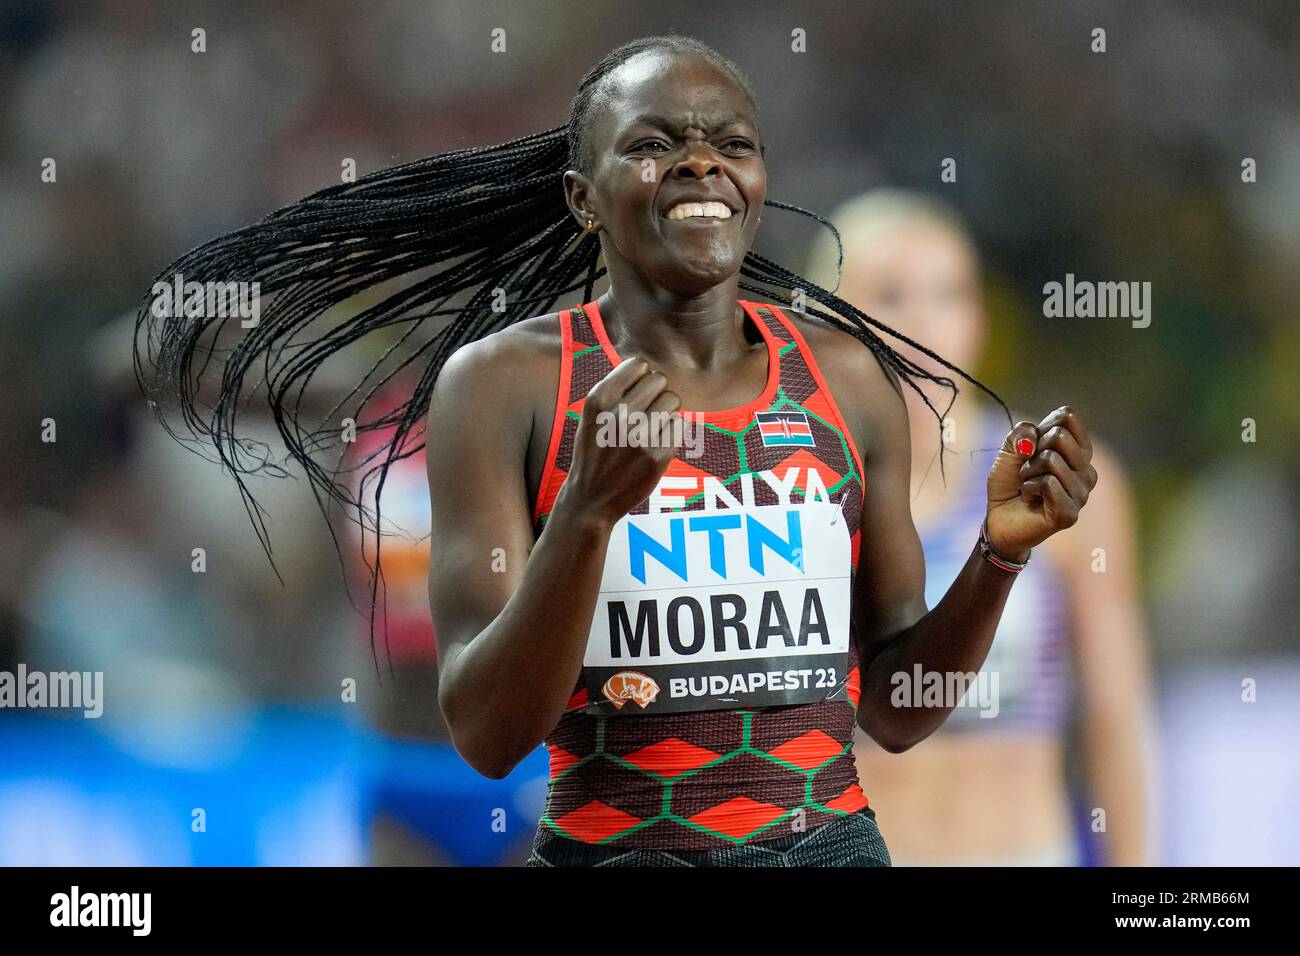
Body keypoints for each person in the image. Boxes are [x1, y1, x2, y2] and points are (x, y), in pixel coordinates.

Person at [134, 35, 1099, 868]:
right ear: (583, 197)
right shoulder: (503, 388)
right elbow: (487, 731)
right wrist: (588, 513)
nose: (701, 165)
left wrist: (997, 556)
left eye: (733, 146)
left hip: (827, 845)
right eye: (653, 145)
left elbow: (897, 709)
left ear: (759, 189)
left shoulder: (846, 381)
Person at [807, 189, 1153, 865]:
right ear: (828, 326)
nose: (924, 326)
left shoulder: (1057, 479)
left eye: (949, 295)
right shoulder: (799, 491)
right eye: (891, 296)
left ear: (980, 320)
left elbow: (1116, 719)